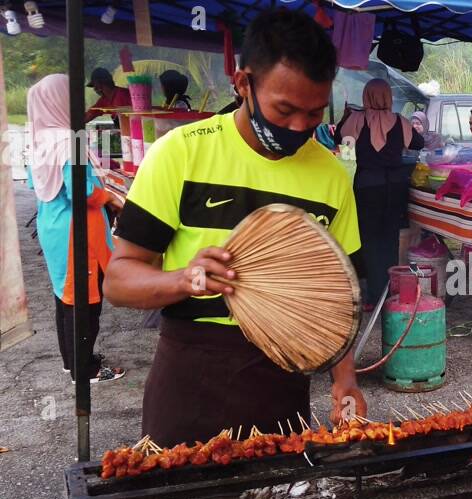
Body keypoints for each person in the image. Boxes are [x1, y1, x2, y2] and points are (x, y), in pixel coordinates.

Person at [104, 9, 365, 448]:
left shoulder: (332, 175)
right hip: (189, 373)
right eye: (285, 110)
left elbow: (341, 296)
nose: (300, 127)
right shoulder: (180, 155)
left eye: (315, 113)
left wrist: (345, 381)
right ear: (243, 83)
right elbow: (118, 280)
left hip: (282, 379)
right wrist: (184, 279)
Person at [26, 74, 126, 384]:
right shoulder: (70, 142)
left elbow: (34, 184)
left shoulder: (38, 139)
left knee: (64, 295)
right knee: (86, 301)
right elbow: (82, 192)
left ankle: (73, 363)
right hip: (77, 232)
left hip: (51, 225)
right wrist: (111, 195)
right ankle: (87, 371)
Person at [335, 79, 424, 307]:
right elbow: (419, 142)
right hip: (395, 187)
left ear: (366, 96)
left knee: (369, 239)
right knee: (390, 239)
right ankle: (390, 293)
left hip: (367, 186)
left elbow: (339, 139)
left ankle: (374, 296)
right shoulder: (400, 121)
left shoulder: (355, 119)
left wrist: (346, 117)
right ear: (388, 97)